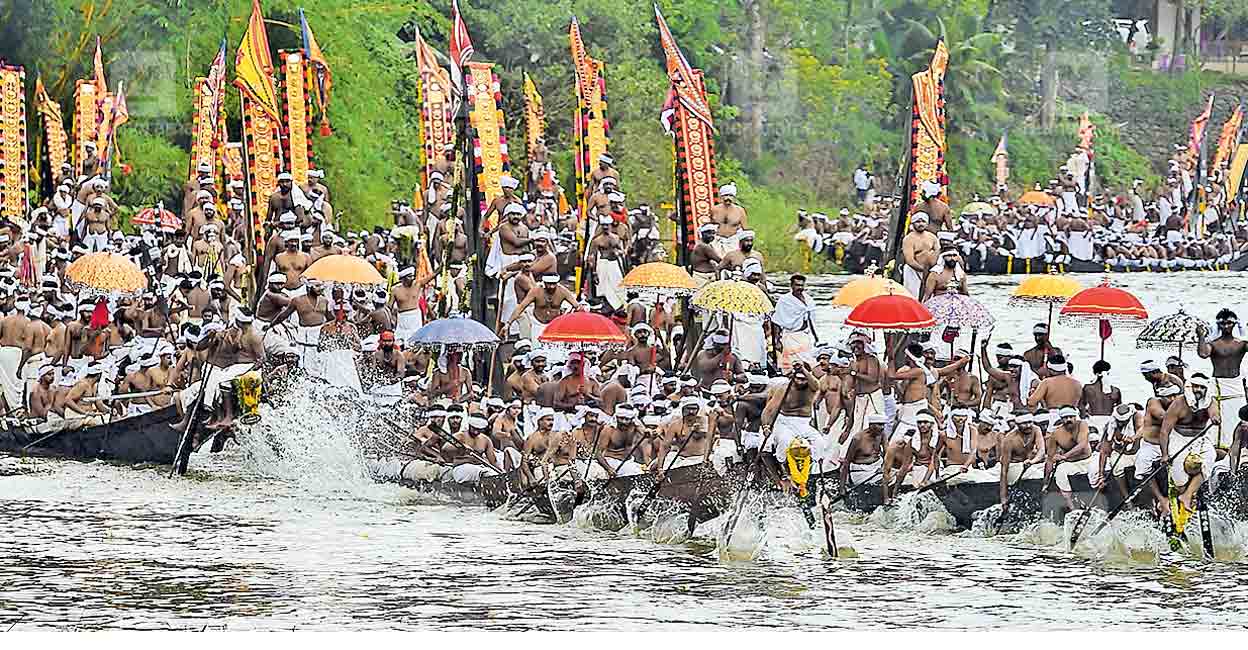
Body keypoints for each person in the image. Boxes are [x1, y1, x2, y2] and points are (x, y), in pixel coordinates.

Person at [1159, 374, 1219, 513]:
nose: (1198, 390)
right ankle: (1183, 493)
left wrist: (1215, 417)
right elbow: (1164, 431)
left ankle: (1187, 496)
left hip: (1200, 438)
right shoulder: (1179, 403)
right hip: (1179, 438)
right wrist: (1165, 454)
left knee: (1210, 456)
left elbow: (1214, 413)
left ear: (1206, 389)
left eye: (1201, 387)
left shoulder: (1210, 400)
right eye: (1195, 386)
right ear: (1190, 387)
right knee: (1179, 476)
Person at [1196, 308, 1247, 454]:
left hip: (1236, 388)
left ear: (1234, 324)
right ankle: (1220, 452)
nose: (1226, 326)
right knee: (1218, 424)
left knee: (1238, 419)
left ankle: (1238, 449)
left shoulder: (1241, 344)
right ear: (1218, 325)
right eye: (1223, 323)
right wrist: (1201, 336)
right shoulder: (1213, 344)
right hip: (1219, 386)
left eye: (1229, 323)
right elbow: (1203, 353)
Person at [1047, 406, 1093, 511]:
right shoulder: (1055, 434)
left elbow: (1082, 445)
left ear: (1075, 417)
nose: (1068, 420)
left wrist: (1064, 456)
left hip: (1088, 461)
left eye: (1071, 417)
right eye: (1065, 417)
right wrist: (1046, 481)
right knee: (1060, 472)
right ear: (1061, 419)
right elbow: (1050, 458)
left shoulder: (1083, 424)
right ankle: (1072, 507)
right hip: (1071, 464)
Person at [900, 212, 938, 299]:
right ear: (913, 223)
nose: (921, 224)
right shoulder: (909, 239)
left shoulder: (932, 237)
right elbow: (909, 260)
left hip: (930, 271)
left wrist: (931, 270)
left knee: (929, 296)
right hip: (913, 271)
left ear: (927, 223)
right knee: (913, 296)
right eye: (918, 222)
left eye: (923, 221)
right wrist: (922, 270)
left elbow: (937, 252)